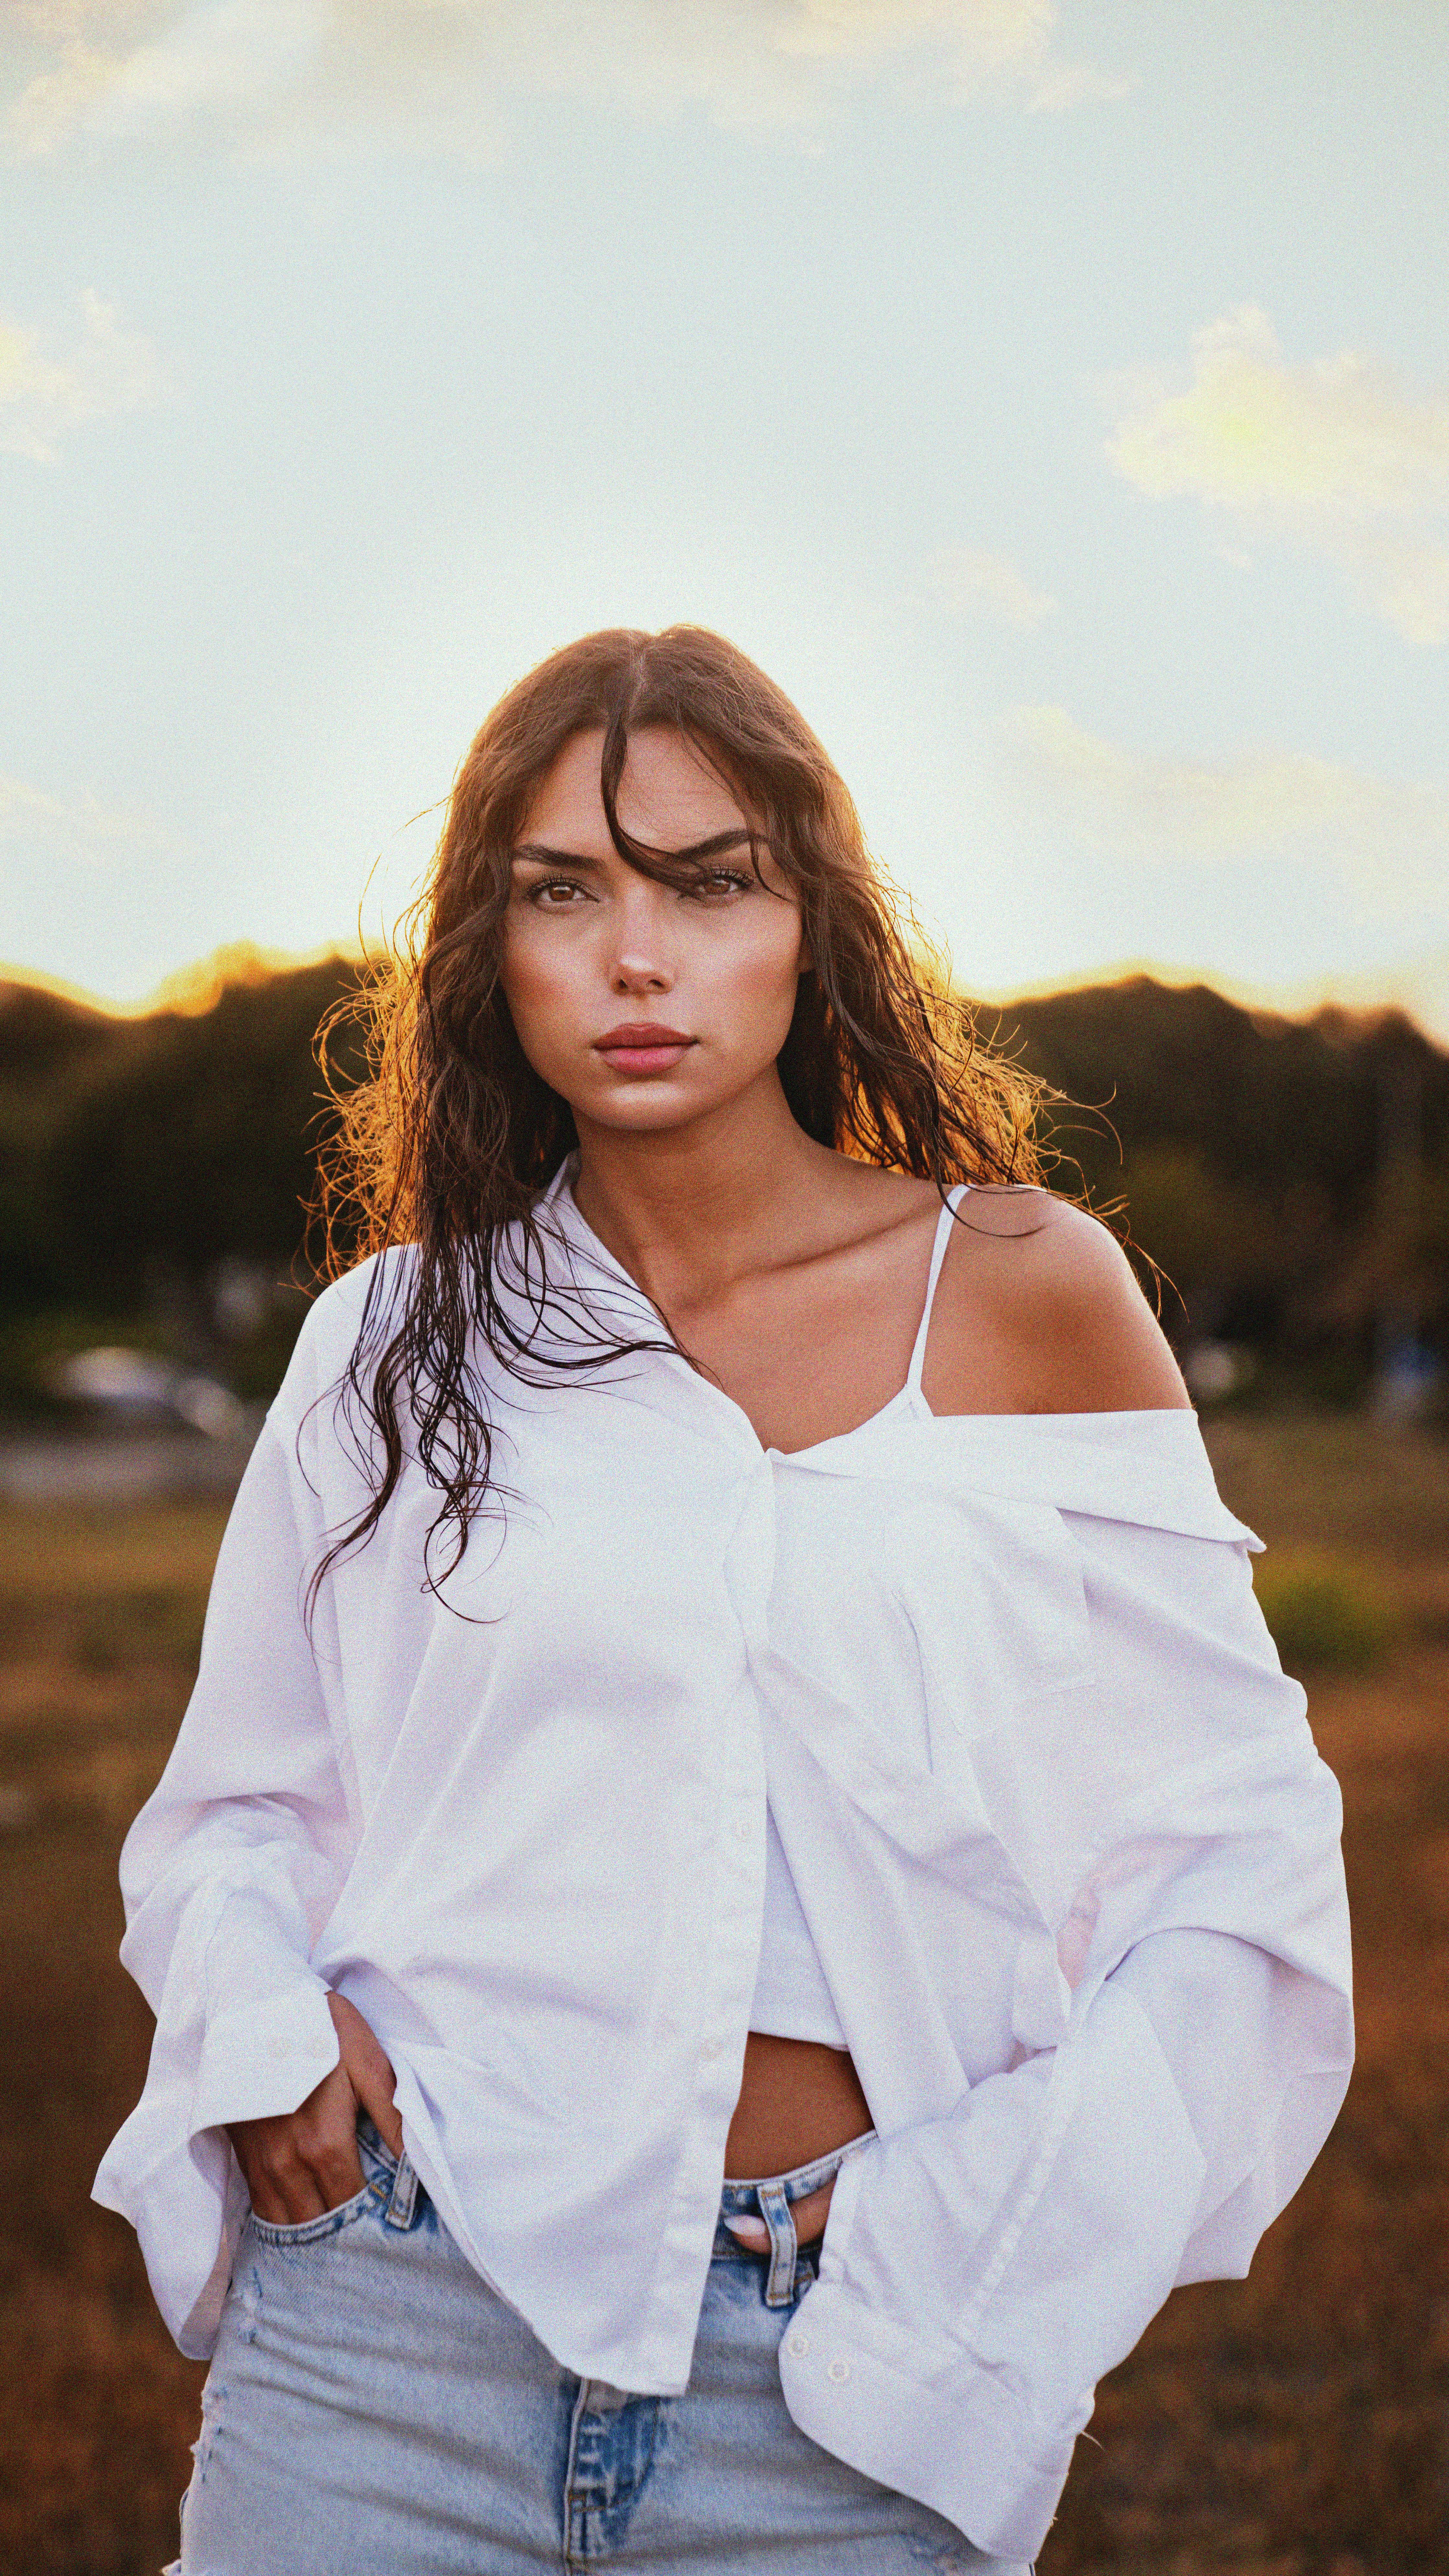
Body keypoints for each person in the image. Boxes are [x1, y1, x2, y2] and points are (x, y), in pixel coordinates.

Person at [95, 626, 1354, 2576]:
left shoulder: (1019, 1286)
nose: (635, 956)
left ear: (810, 919)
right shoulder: (397, 1340)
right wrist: (263, 2035)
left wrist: (997, 2211)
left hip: (845, 2378)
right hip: (389, 2341)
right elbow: (239, 1809)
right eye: (560, 890)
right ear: (483, 950)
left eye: (710, 882)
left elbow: (1233, 1857)